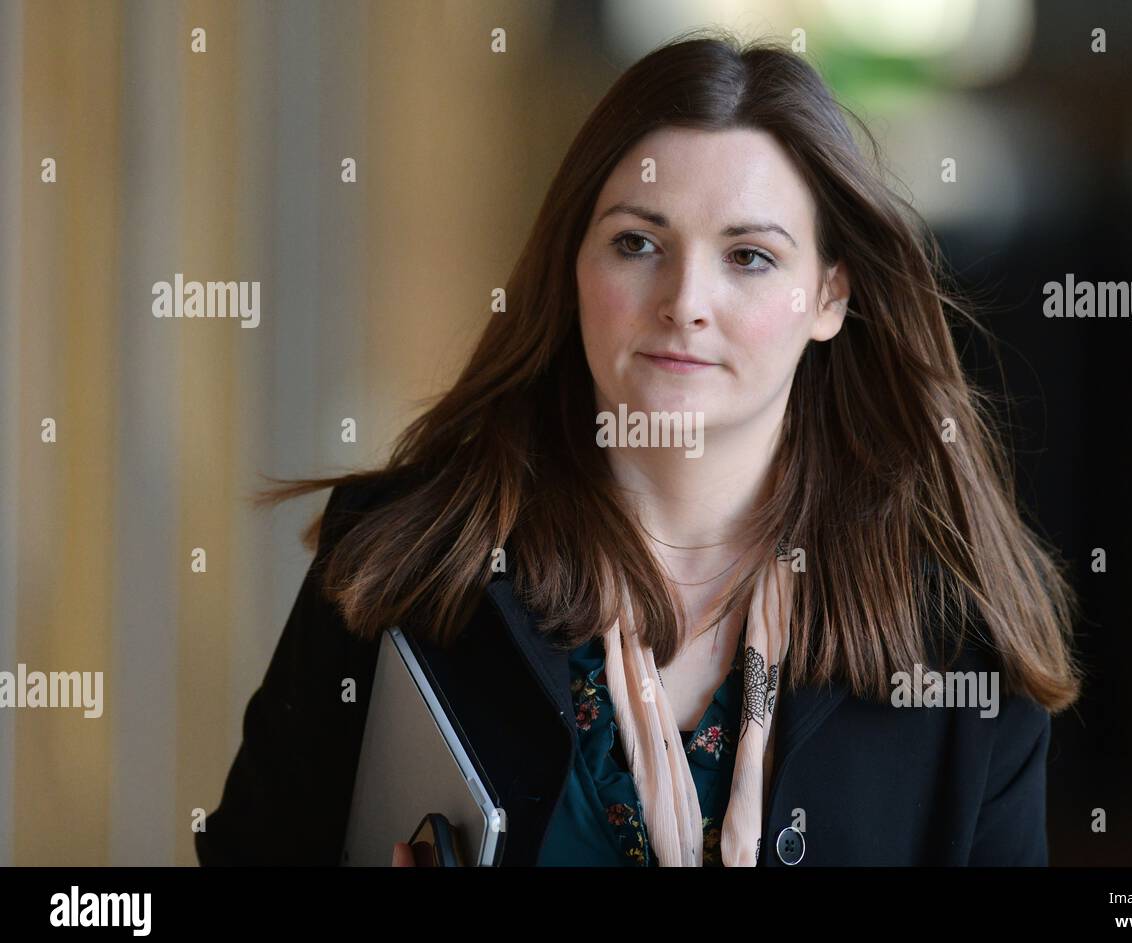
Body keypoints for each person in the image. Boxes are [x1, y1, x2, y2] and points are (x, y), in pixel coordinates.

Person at [197, 29, 1081, 867]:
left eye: (749, 257)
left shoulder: (961, 654)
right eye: (637, 242)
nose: (685, 299)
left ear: (830, 297)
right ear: (572, 265)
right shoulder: (404, 563)